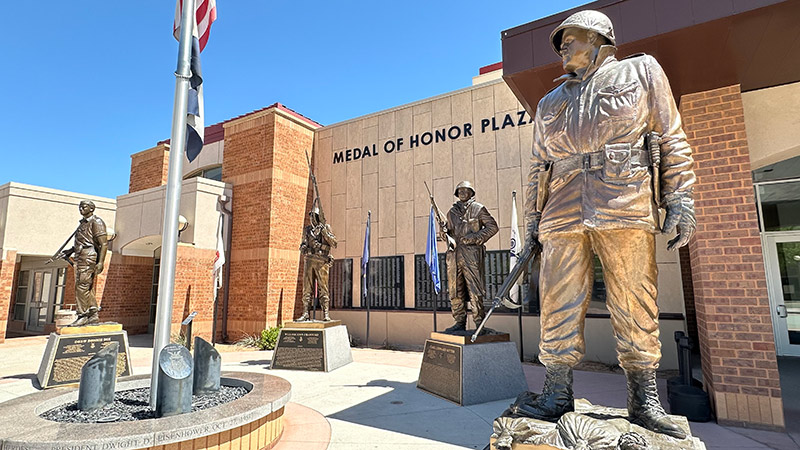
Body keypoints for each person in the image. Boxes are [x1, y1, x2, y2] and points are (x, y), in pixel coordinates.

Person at [520, 10, 696, 439]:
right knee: (557, 301)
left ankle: (643, 398)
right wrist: (532, 222)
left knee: (634, 298)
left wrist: (680, 196)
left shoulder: (642, 71)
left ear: (599, 39)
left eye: (571, 38)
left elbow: (670, 135)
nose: (563, 47)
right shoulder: (549, 102)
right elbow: (538, 166)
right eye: (561, 42)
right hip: (561, 209)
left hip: (624, 199)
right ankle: (556, 391)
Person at [441, 181, 499, 333]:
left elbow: (493, 227)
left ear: (471, 193)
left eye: (465, 190)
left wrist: (474, 238)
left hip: (471, 256)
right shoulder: (451, 213)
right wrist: (444, 233)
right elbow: (449, 234)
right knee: (455, 290)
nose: (462, 193)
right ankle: (459, 322)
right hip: (454, 256)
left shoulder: (478, 209)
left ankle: (479, 323)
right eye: (459, 190)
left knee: (475, 290)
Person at [60, 200, 109, 326]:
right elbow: (83, 241)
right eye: (80, 207)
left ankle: (82, 315)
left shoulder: (96, 222)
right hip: (80, 256)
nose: (81, 209)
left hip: (88, 257)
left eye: (84, 207)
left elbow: (104, 244)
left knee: (81, 286)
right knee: (87, 287)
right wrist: (70, 251)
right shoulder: (82, 223)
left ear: (91, 209)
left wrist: (101, 262)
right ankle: (93, 314)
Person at [297, 203, 338, 321]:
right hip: (309, 260)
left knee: (323, 288)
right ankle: (305, 313)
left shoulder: (326, 227)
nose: (312, 218)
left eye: (314, 216)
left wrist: (324, 233)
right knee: (307, 288)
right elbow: (303, 244)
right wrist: (304, 247)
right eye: (311, 216)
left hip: (321, 262)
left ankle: (326, 313)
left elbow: (334, 243)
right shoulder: (307, 230)